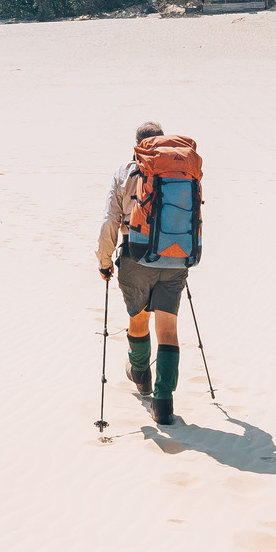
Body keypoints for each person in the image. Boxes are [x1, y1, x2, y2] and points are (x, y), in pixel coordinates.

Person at [96, 119, 203, 425]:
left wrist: (104, 260)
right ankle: (164, 403)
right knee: (168, 329)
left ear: (138, 145)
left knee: (138, 318)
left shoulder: (125, 172)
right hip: (175, 255)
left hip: (137, 255)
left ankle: (141, 375)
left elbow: (109, 220)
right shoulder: (180, 169)